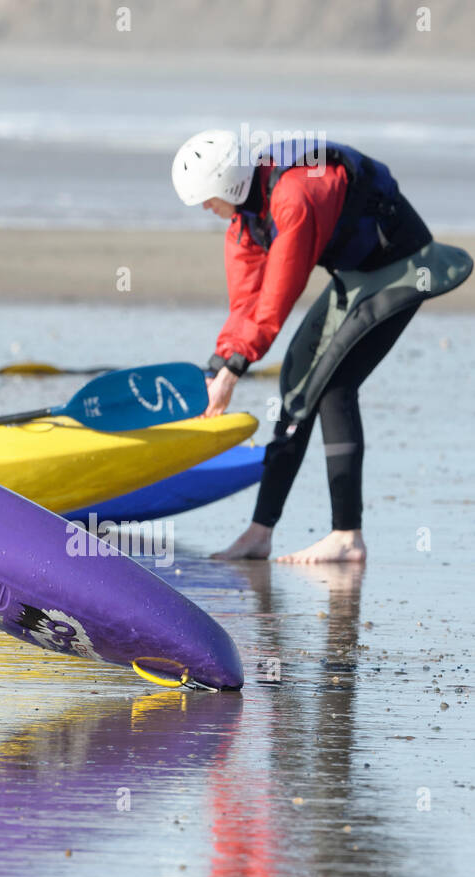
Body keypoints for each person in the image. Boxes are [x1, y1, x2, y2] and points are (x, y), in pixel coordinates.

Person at [172, 128, 470, 564]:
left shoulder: (294, 197)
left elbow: (277, 297)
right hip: (356, 276)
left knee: (333, 386)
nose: (204, 207)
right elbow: (245, 303)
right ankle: (260, 532)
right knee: (297, 381)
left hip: (405, 266)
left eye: (206, 196)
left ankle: (347, 536)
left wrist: (237, 367)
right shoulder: (245, 220)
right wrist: (220, 365)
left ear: (229, 184)